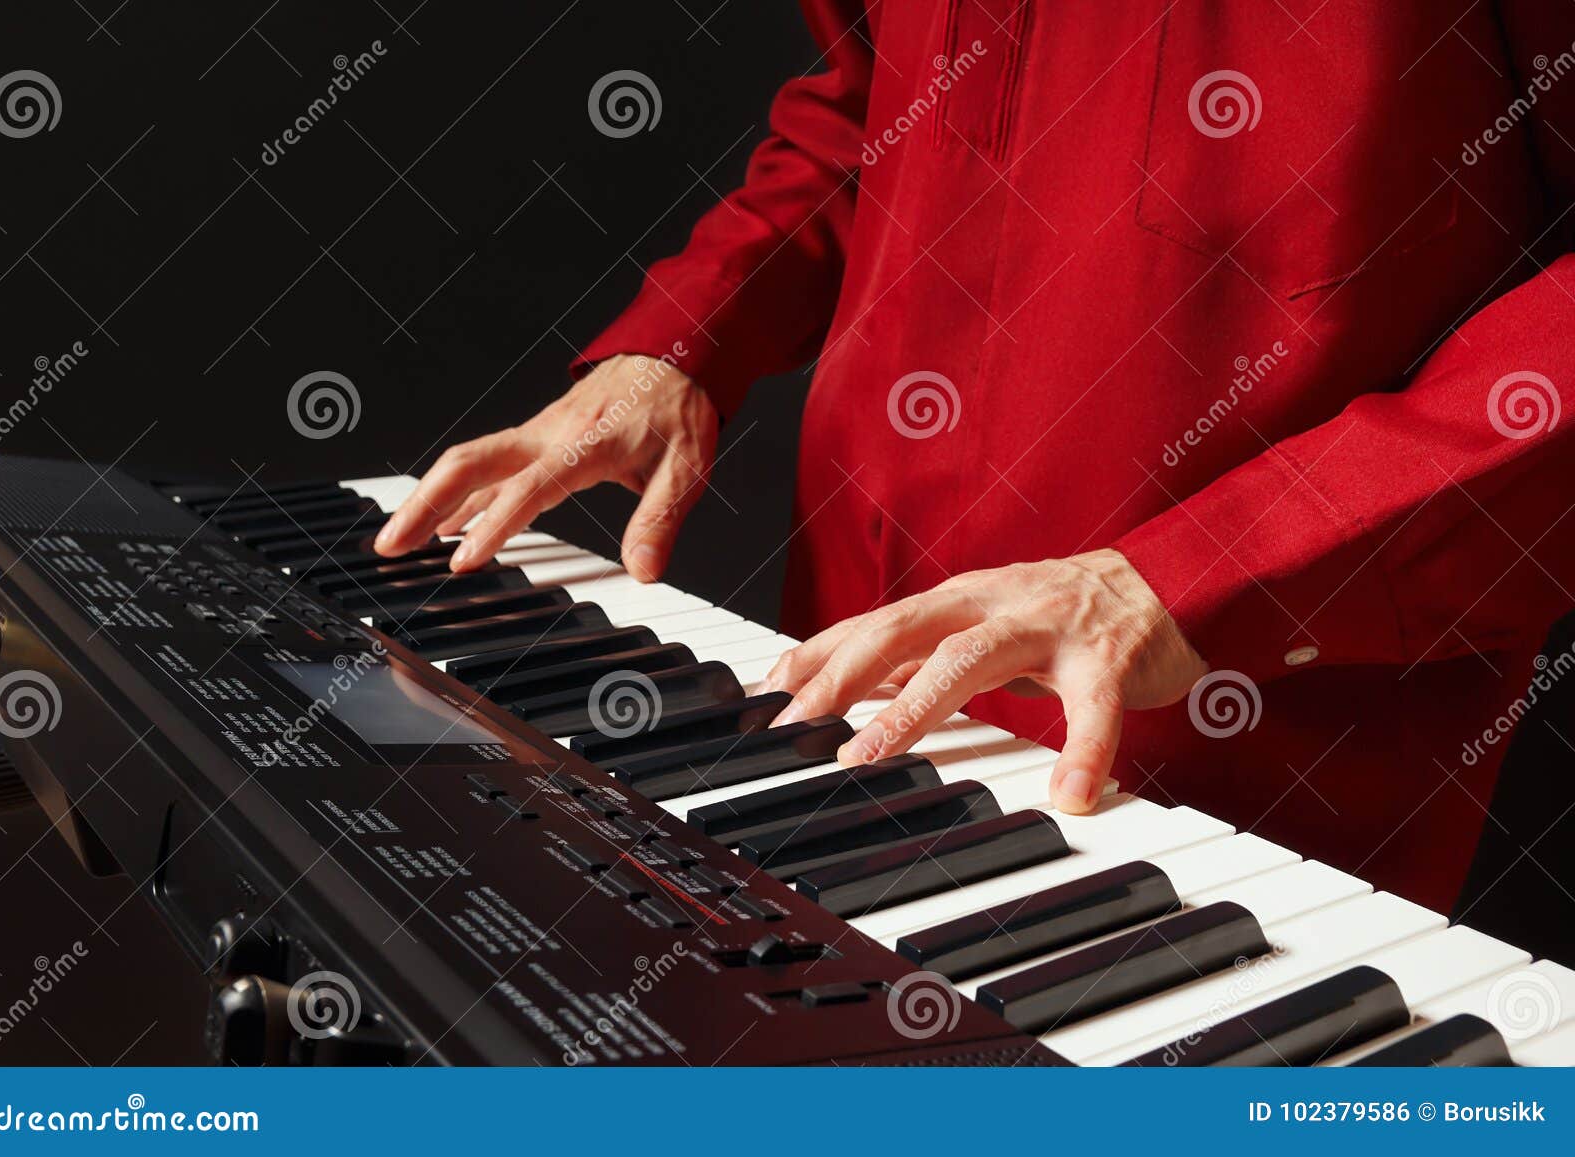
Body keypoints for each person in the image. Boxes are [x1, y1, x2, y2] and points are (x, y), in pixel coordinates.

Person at [376, 1, 1575, 915]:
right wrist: (687, 339)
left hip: (1226, 737)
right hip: (854, 657)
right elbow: (870, 103)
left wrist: (1210, 567)